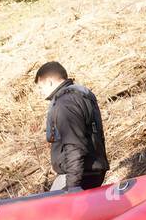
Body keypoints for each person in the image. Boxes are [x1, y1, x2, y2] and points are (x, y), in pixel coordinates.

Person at [33, 62, 109, 190]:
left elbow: (74, 145)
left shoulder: (65, 104)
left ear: (50, 82)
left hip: (79, 175)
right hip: (92, 171)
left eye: (41, 87)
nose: (41, 93)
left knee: (53, 209)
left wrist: (72, 187)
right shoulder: (80, 95)